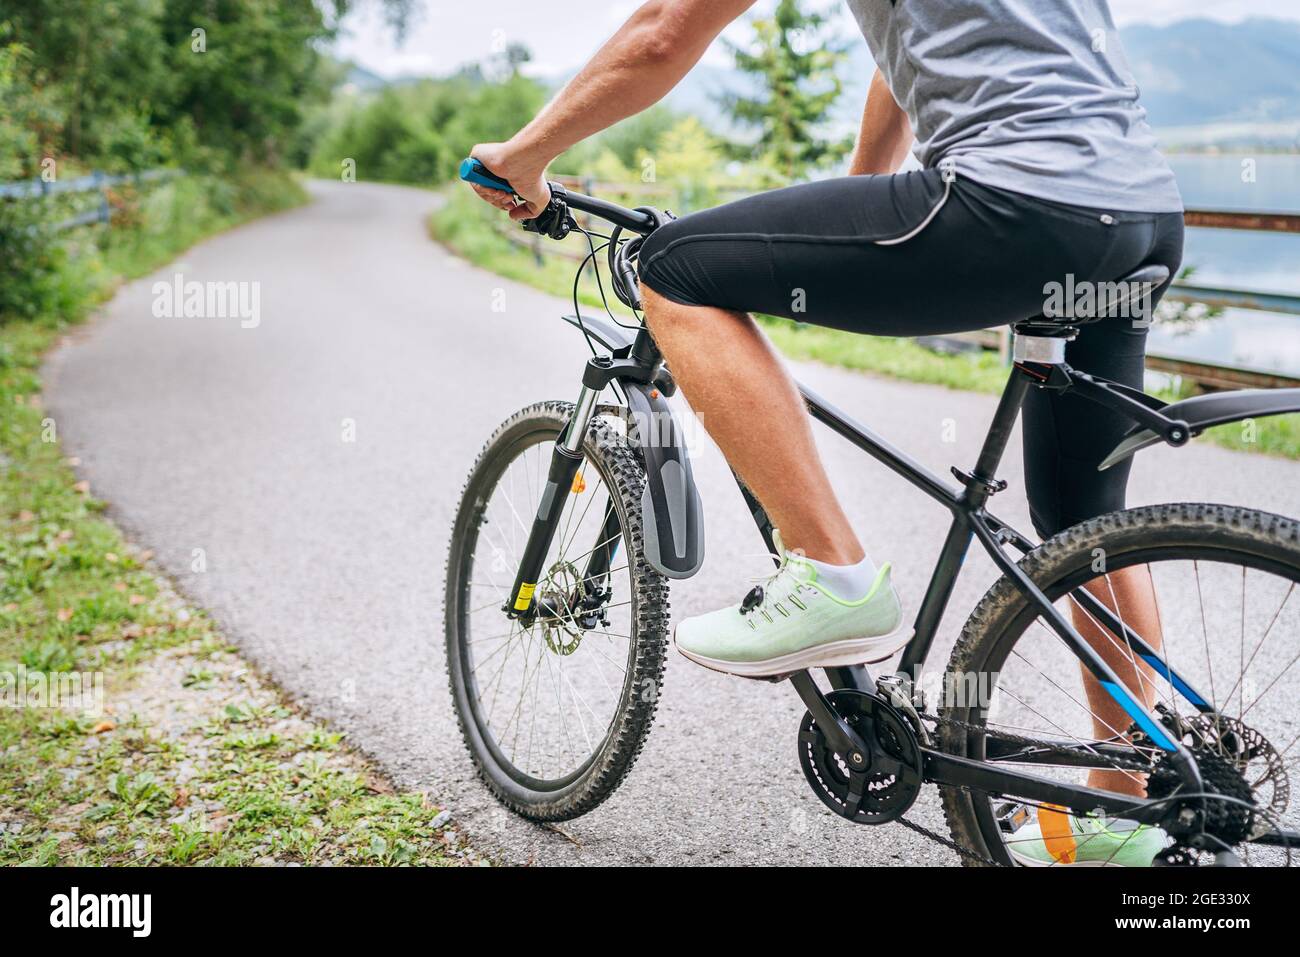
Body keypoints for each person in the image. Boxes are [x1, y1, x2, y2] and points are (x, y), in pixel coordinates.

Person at [467, 0, 1184, 865]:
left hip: (1013, 202)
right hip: (1139, 213)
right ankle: (1124, 803)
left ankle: (834, 577)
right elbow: (906, 46)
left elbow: (664, 31)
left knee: (674, 271)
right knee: (1082, 518)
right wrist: (859, 190)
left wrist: (524, 156)